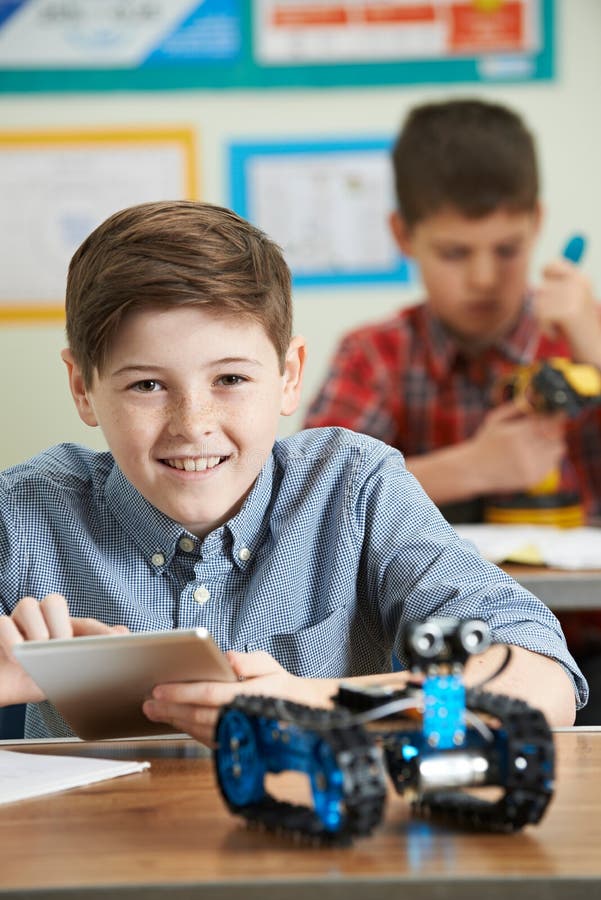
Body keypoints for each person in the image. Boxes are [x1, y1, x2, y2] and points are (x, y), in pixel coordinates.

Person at [0, 200, 585, 745]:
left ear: (288, 375)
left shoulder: (354, 488)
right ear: (83, 388)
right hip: (99, 852)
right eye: (147, 385)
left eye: (230, 379)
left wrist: (324, 703)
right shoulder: (26, 509)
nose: (194, 424)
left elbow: (542, 681)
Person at [304, 98, 601, 723]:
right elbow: (311, 505)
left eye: (507, 248)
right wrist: (473, 467)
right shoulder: (375, 356)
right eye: (456, 253)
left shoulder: (581, 337)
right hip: (438, 659)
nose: (486, 278)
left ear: (538, 222)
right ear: (403, 236)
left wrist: (592, 340)